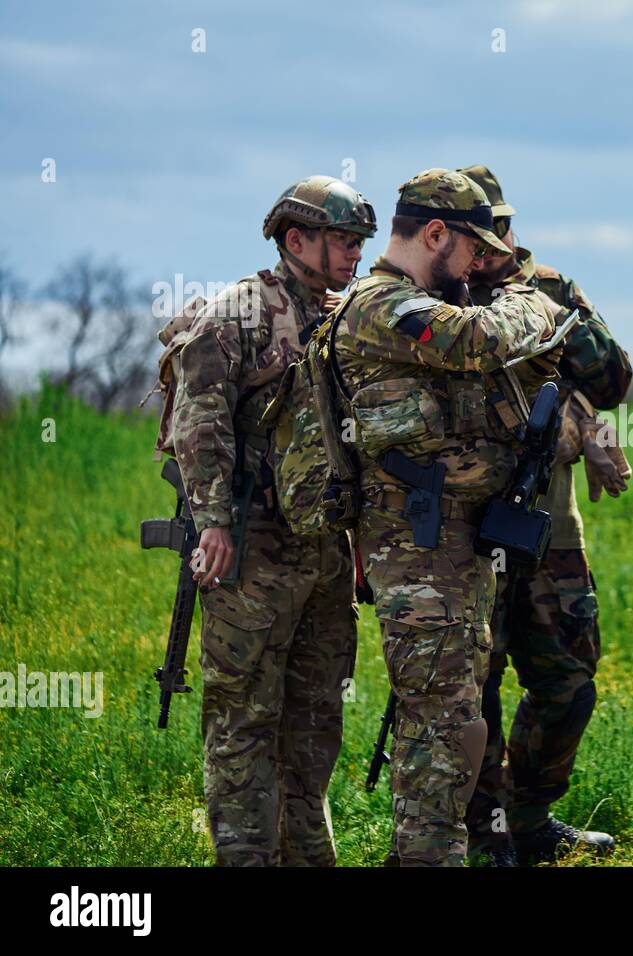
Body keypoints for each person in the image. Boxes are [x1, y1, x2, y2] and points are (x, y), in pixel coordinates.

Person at [332, 168, 556, 866]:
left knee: (453, 727)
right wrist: (535, 304)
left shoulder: (418, 301)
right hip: (417, 555)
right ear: (434, 234)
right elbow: (478, 341)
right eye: (468, 248)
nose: (478, 263)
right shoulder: (381, 306)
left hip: (453, 550)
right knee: (439, 733)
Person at [171, 175, 376, 865]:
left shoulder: (340, 319)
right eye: (341, 240)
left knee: (316, 721)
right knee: (242, 724)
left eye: (358, 243)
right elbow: (198, 423)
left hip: (323, 555)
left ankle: (310, 858)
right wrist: (214, 524)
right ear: (296, 239)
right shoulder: (239, 313)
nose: (353, 254)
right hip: (251, 555)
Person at [459, 164, 632, 865]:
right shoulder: (429, 298)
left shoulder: (549, 288)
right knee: (474, 689)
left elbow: (613, 380)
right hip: (463, 534)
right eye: (478, 232)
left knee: (567, 680)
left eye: (498, 227)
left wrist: (546, 311)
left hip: (549, 529)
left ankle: (529, 817)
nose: (491, 243)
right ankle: (487, 833)